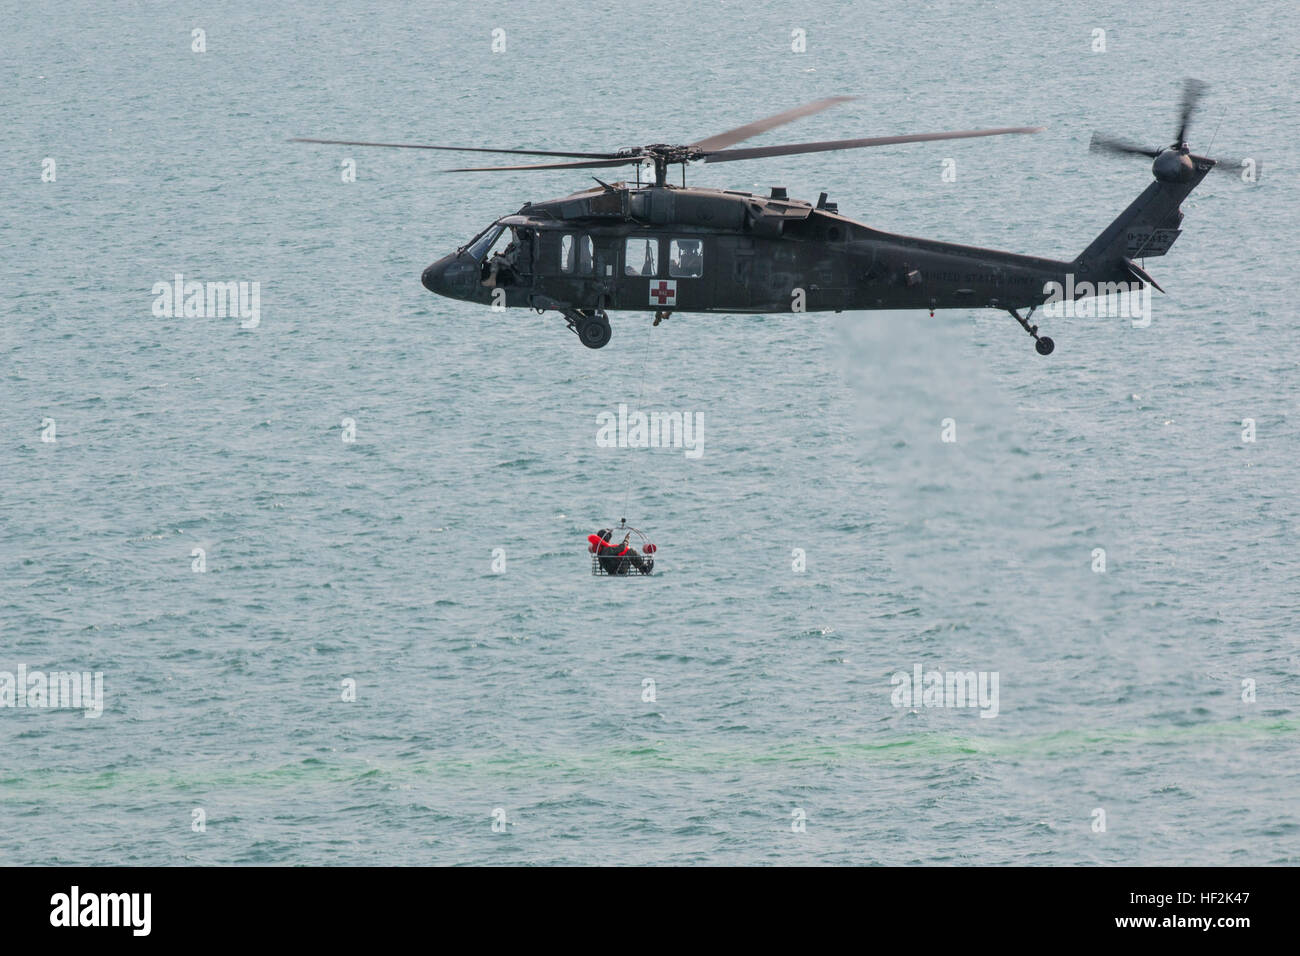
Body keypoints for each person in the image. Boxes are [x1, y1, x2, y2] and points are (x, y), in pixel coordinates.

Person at [588, 528, 654, 575]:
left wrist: (625, 542)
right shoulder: (606, 550)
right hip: (619, 571)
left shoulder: (600, 549)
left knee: (626, 552)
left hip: (614, 570)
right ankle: (645, 569)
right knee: (630, 551)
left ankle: (643, 568)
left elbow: (618, 549)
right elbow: (621, 548)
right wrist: (626, 540)